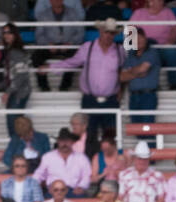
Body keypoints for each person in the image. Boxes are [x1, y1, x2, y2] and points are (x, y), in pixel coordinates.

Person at [46, 17, 124, 146]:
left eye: (112, 33)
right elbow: (72, 62)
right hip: (90, 100)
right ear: (100, 31)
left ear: (115, 34)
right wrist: (51, 67)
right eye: (106, 31)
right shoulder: (88, 47)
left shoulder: (120, 50)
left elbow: (125, 71)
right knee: (88, 136)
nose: (109, 35)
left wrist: (122, 89)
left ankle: (109, 164)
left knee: (111, 136)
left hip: (111, 100)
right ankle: (89, 164)